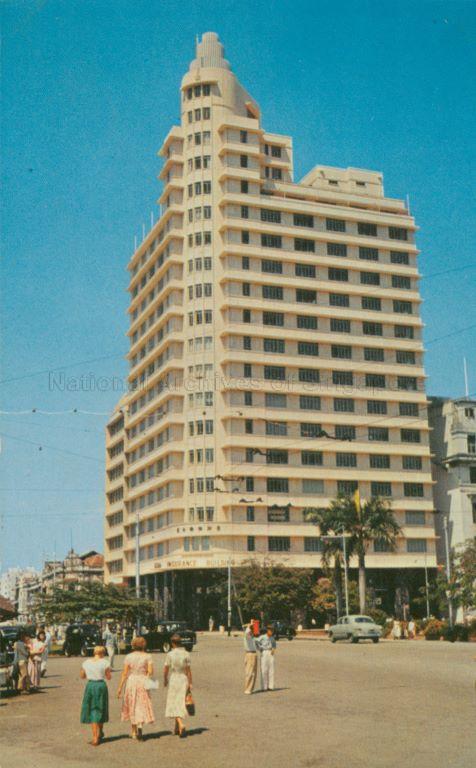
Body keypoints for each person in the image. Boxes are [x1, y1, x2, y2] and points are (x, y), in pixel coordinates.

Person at [118, 636, 155, 740]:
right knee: (141, 703)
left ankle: (133, 731)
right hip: (142, 680)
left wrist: (120, 688)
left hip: (132, 680)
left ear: (133, 645)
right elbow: (151, 671)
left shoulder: (128, 656)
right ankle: (140, 725)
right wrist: (147, 679)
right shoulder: (148, 656)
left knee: (132, 703)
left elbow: (125, 673)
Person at [80, 645, 111, 747]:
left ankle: (95, 736)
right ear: (102, 653)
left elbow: (82, 676)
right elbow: (108, 677)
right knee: (100, 708)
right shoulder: (105, 662)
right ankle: (99, 732)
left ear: (94, 652)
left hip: (90, 685)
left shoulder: (86, 662)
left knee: (93, 709)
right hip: (101, 685)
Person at [163, 634, 192, 738]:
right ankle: (176, 728)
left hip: (174, 678)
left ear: (172, 643)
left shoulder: (170, 654)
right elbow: (189, 671)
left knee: (174, 701)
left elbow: (166, 668)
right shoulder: (186, 654)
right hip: (183, 678)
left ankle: (180, 724)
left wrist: (165, 679)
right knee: (180, 701)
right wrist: (190, 683)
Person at [258, 625, 277, 691]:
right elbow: (256, 642)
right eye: (270, 630)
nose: (271, 632)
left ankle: (271, 686)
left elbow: (274, 645)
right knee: (264, 669)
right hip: (264, 652)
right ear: (267, 630)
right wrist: (260, 648)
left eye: (272, 630)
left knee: (271, 670)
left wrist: (273, 649)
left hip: (270, 653)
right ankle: (264, 687)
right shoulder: (262, 637)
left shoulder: (272, 638)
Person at [243, 620, 258, 694]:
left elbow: (256, 633)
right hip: (250, 654)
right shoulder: (247, 635)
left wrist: (253, 624)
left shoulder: (252, 636)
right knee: (250, 672)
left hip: (252, 654)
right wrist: (249, 626)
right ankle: (248, 689)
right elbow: (247, 632)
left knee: (253, 672)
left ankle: (249, 688)